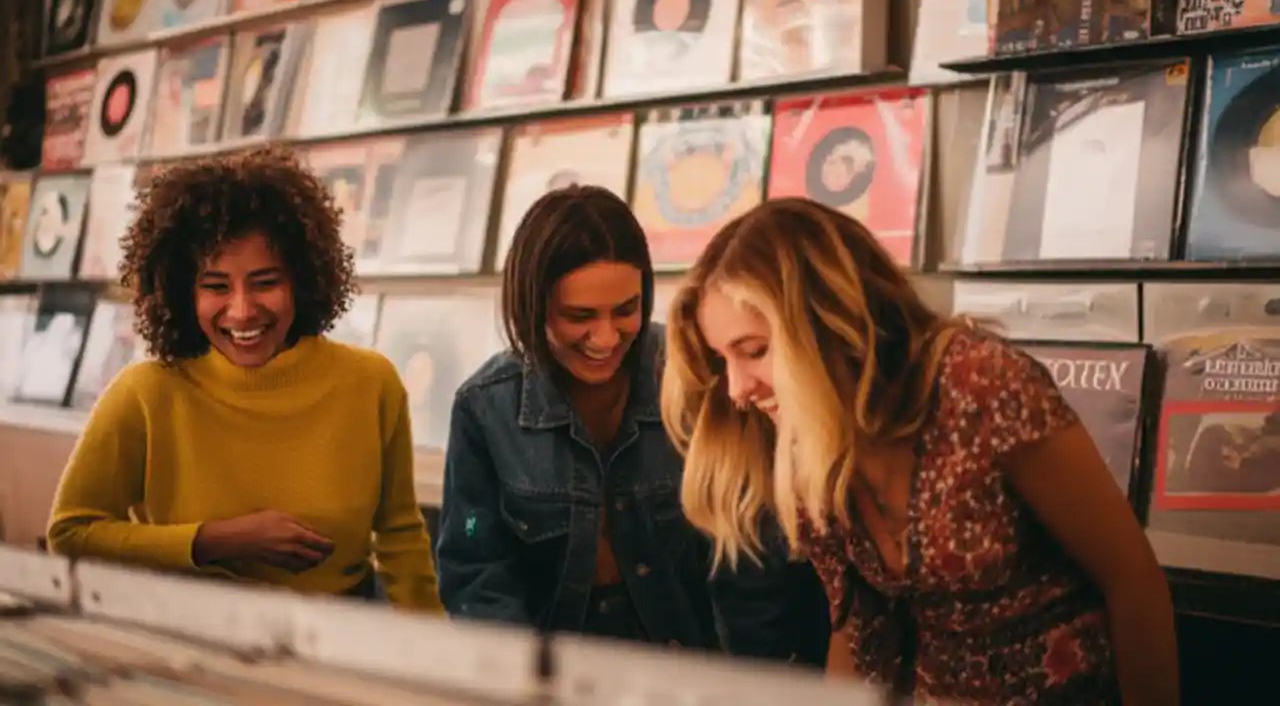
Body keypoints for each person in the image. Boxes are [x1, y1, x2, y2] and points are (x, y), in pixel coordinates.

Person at [660, 198, 1179, 704]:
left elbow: (1131, 579)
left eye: (753, 351)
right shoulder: (801, 440)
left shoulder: (980, 385)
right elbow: (856, 633)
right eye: (722, 359)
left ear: (828, 320)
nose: (736, 389)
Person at [435, 185, 827, 658]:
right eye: (579, 316)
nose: (605, 338)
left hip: (701, 667)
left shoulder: (702, 373)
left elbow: (754, 557)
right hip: (551, 673)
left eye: (626, 311)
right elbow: (477, 574)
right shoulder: (484, 407)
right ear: (531, 305)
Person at [46, 147, 441, 612]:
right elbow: (70, 534)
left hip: (340, 641)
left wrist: (429, 653)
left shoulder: (370, 382)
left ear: (303, 279)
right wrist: (216, 541)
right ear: (181, 290)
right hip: (191, 636)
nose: (242, 310)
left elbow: (399, 534)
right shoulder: (147, 393)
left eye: (265, 281)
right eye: (216, 286)